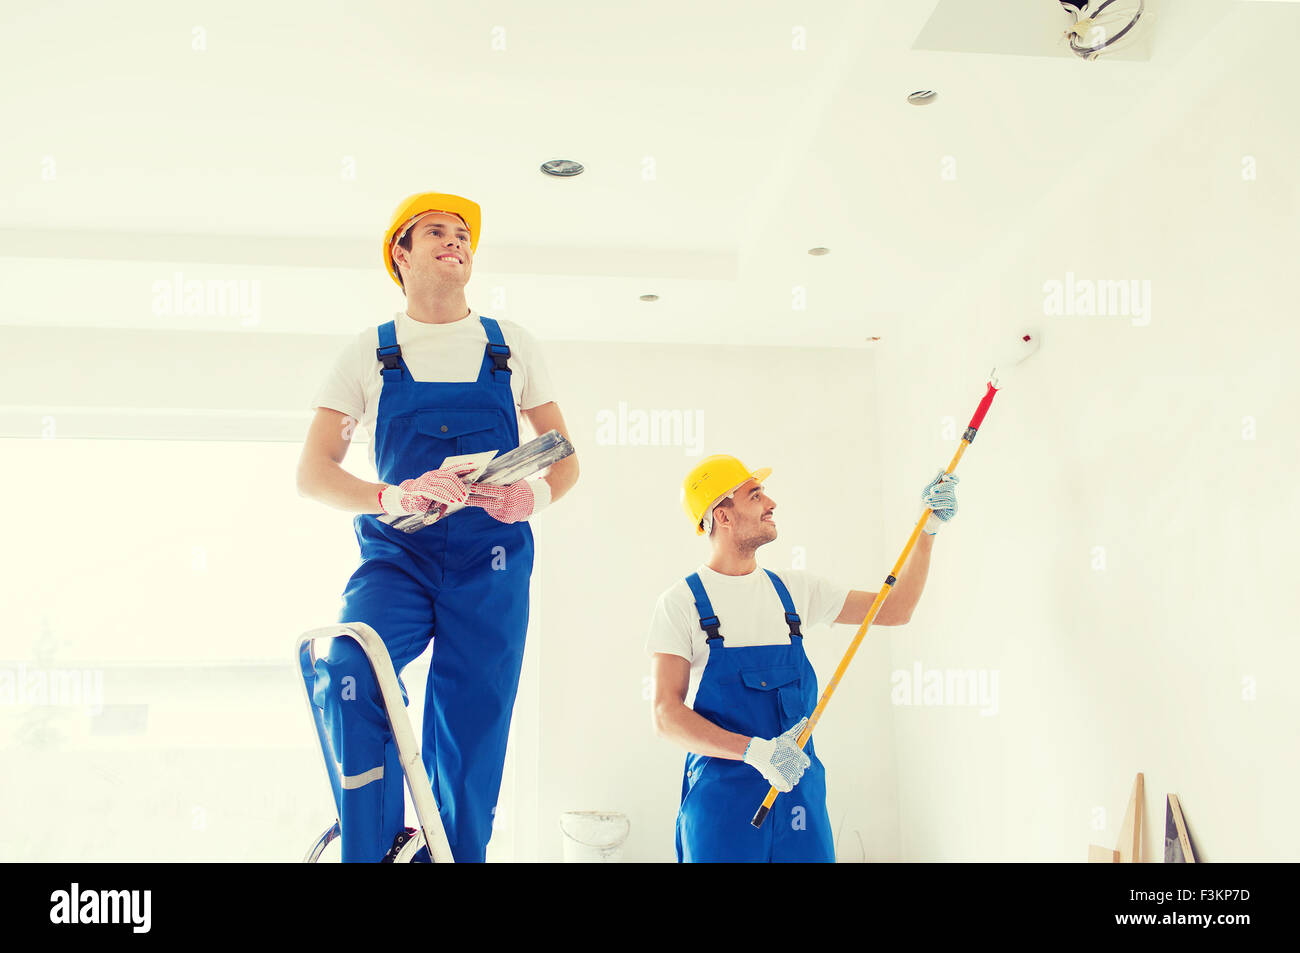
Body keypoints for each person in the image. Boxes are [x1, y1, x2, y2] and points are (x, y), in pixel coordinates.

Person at [296, 191, 578, 862]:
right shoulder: (369, 353)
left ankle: (448, 856)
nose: (456, 241)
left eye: (463, 235)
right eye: (437, 232)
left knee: (471, 730)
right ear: (402, 251)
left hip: (495, 561)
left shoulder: (511, 346)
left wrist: (527, 499)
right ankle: (374, 846)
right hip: (398, 555)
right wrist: (395, 492)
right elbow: (314, 472)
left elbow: (564, 459)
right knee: (350, 670)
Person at [646, 455, 958, 862]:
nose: (770, 503)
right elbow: (666, 715)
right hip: (722, 806)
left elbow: (896, 608)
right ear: (722, 516)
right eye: (755, 495)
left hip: (799, 800)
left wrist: (927, 529)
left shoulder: (793, 592)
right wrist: (756, 752)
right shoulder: (681, 603)